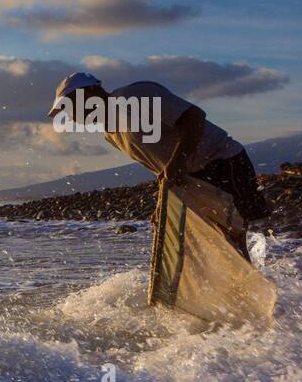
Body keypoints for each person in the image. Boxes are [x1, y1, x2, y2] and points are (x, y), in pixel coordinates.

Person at [48, 72, 270, 257]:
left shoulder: (134, 96)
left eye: (70, 107)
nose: (70, 115)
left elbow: (194, 117)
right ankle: (235, 293)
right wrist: (162, 204)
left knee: (233, 233)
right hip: (192, 178)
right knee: (211, 242)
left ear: (90, 94)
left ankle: (252, 293)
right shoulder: (111, 133)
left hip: (221, 161)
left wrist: (178, 161)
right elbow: (162, 168)